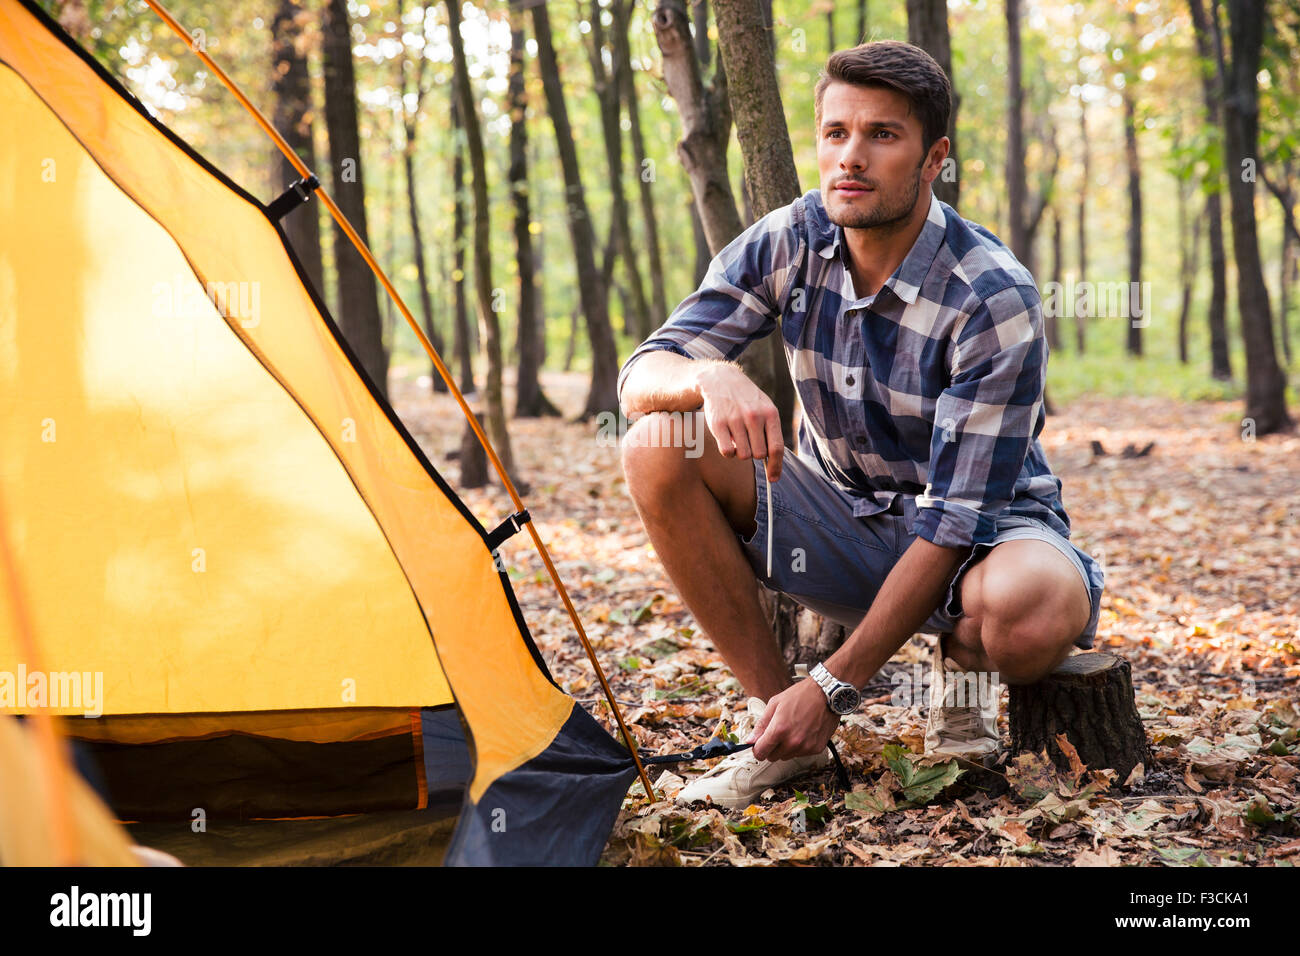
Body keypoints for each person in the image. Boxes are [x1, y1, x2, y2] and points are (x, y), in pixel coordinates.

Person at [616, 41, 1105, 809]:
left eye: (883, 135)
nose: (852, 157)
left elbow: (952, 523)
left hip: (984, 541)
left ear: (933, 156)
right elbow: (641, 374)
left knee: (1028, 611)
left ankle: (961, 671)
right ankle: (778, 732)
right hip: (842, 517)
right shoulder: (791, 238)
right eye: (835, 132)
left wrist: (835, 686)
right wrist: (708, 373)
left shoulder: (992, 295)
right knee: (657, 442)